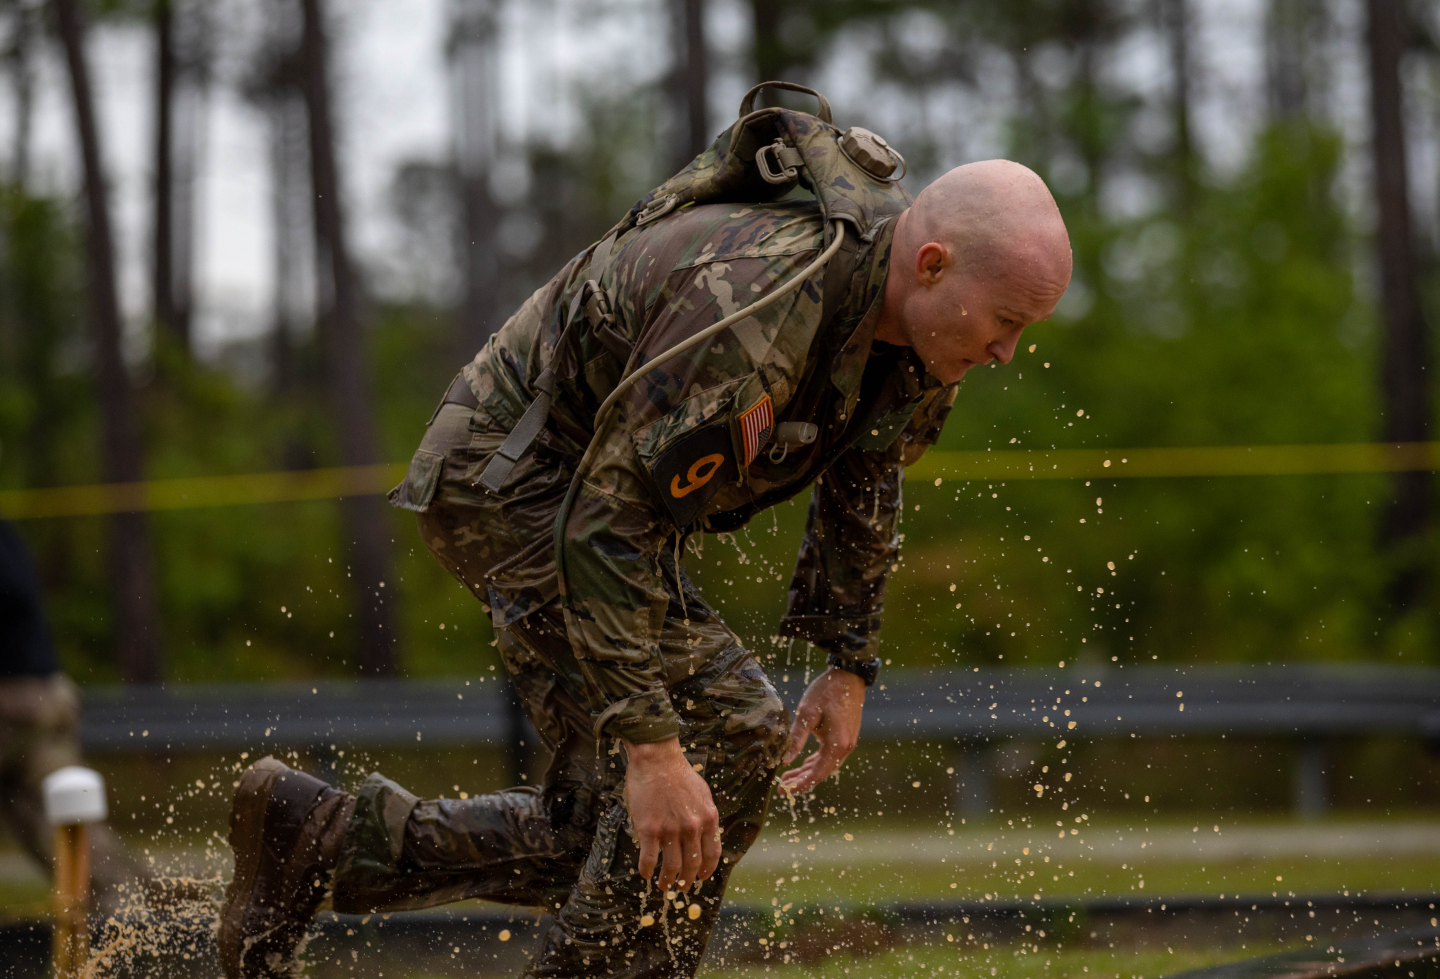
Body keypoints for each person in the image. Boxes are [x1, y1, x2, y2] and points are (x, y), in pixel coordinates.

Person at [220, 96, 1072, 979]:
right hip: (511, 483)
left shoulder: (929, 338)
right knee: (726, 738)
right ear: (932, 264)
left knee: (623, 829)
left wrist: (847, 658)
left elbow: (868, 471)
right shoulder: (758, 309)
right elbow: (606, 519)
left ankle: (320, 840)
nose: (1009, 352)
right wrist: (653, 744)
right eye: (1006, 322)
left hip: (595, 501)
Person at [0, 518, 143, 914]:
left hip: (20, 701)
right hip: (42, 695)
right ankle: (139, 919)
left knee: (71, 830)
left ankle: (144, 928)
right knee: (65, 829)